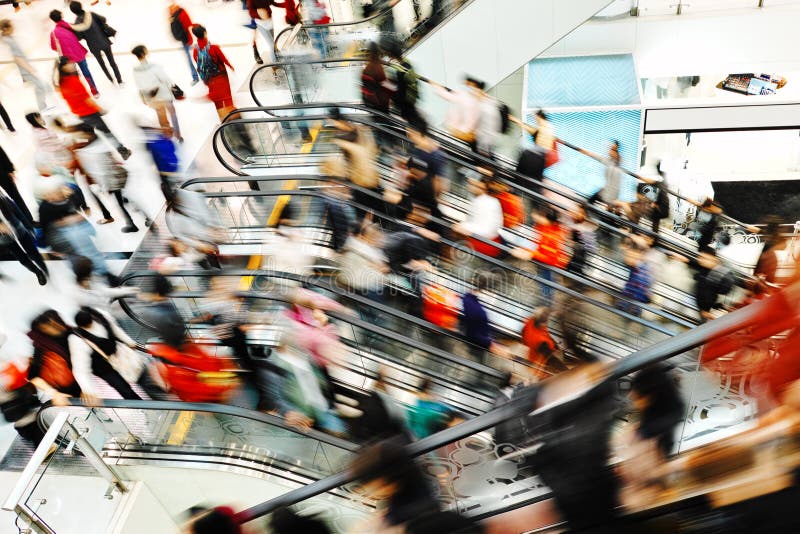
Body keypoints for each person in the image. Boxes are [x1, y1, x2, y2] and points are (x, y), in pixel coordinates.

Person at [35, 177, 115, 285]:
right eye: (55, 192)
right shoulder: (45, 208)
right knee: (76, 261)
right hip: (63, 241)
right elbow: (45, 227)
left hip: (80, 235)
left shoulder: (68, 197)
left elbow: (78, 213)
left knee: (93, 254)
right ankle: (83, 280)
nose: (59, 193)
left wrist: (79, 220)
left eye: (59, 190)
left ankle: (105, 274)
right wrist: (54, 246)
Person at [54, 57, 131, 160]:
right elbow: (87, 99)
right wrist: (101, 109)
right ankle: (123, 152)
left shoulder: (61, 83)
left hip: (80, 114)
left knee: (92, 136)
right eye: (70, 63)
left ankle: (102, 156)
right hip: (90, 113)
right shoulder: (74, 81)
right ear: (63, 68)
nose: (73, 64)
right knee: (106, 132)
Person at [74, 123, 139, 233]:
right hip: (119, 174)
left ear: (86, 133)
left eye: (80, 134)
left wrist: (104, 187)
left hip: (111, 180)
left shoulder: (90, 149)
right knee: (127, 198)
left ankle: (130, 224)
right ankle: (146, 217)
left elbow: (100, 171)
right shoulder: (98, 141)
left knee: (119, 203)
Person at [72, 307, 142, 400]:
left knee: (134, 375)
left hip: (116, 354)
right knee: (123, 388)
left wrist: (129, 342)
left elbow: (115, 329)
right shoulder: (78, 338)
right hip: (102, 367)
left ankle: (144, 400)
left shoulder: (100, 316)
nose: (89, 327)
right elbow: (80, 368)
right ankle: (140, 403)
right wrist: (88, 389)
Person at [131, 45, 182, 142]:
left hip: (151, 98)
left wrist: (143, 98)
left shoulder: (135, 71)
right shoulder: (154, 67)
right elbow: (165, 79)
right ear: (143, 53)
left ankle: (168, 136)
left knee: (161, 117)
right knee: (172, 113)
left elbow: (139, 85)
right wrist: (174, 86)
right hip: (164, 95)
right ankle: (178, 135)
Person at [0, 188, 47, 285]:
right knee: (22, 258)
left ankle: (44, 269)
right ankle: (38, 272)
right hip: (4, 238)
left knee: (33, 252)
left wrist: (29, 227)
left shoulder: (3, 197)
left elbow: (18, 212)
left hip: (19, 229)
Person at [0, 19, 49, 111]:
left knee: (41, 86)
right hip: (24, 70)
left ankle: (44, 107)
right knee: (41, 86)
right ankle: (43, 108)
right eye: (12, 26)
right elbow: (17, 58)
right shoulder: (9, 41)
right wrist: (30, 69)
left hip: (23, 69)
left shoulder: (9, 38)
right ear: (7, 28)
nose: (14, 28)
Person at [68, 1, 121, 85]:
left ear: (73, 11)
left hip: (93, 46)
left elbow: (79, 37)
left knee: (102, 65)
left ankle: (111, 80)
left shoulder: (77, 23)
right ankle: (119, 80)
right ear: (81, 6)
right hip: (104, 41)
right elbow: (103, 19)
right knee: (112, 62)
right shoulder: (91, 14)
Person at [191, 25, 236, 122]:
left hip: (208, 78)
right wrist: (230, 66)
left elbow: (197, 62)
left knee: (217, 100)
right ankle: (233, 117)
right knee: (227, 96)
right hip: (221, 75)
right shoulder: (213, 47)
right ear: (205, 33)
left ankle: (223, 120)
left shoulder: (195, 50)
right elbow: (223, 59)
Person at [453, 175, 504, 258]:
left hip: (483, 245)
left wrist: (464, 226)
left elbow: (488, 229)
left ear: (483, 187)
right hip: (480, 243)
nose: (470, 187)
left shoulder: (486, 202)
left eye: (474, 185)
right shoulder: (482, 200)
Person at [49, 10, 97, 95]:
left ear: (53, 20)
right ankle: (94, 91)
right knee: (86, 72)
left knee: (74, 76)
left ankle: (81, 93)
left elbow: (53, 47)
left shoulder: (53, 33)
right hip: (78, 53)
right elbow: (79, 35)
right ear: (61, 15)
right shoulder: (70, 26)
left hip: (68, 58)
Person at [430, 76, 481, 150]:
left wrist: (435, 85)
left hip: (457, 132)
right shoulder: (470, 98)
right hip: (457, 132)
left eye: (468, 84)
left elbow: (446, 95)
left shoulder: (468, 98)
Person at [26, 112, 77, 177]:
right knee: (68, 171)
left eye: (40, 116)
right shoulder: (39, 133)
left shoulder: (39, 130)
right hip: (56, 155)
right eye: (38, 117)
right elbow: (52, 144)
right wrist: (65, 142)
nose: (41, 119)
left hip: (57, 154)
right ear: (34, 120)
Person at [521, 307, 560, 380]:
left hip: (532, 356)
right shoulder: (542, 342)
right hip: (542, 368)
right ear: (543, 323)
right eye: (548, 319)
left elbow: (524, 337)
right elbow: (551, 359)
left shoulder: (530, 322)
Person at [0, 144, 33, 225]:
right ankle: (19, 224)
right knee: (4, 205)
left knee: (15, 196)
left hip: (2, 174)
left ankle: (28, 220)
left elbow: (1, 154)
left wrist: (10, 169)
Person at [167, 2, 199, 85]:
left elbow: (187, 24)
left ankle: (198, 76)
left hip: (189, 39)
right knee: (190, 59)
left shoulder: (180, 13)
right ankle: (196, 77)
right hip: (185, 40)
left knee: (195, 57)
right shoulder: (173, 15)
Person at [361, 41, 391, 114]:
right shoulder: (377, 67)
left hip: (371, 102)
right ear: (377, 53)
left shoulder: (367, 67)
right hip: (380, 102)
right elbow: (385, 84)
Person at [247, 0, 276, 65]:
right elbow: (251, 12)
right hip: (261, 23)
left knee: (272, 43)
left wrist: (286, 4)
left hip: (269, 21)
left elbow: (273, 3)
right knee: (271, 45)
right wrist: (259, 14)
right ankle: (274, 65)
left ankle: (276, 57)